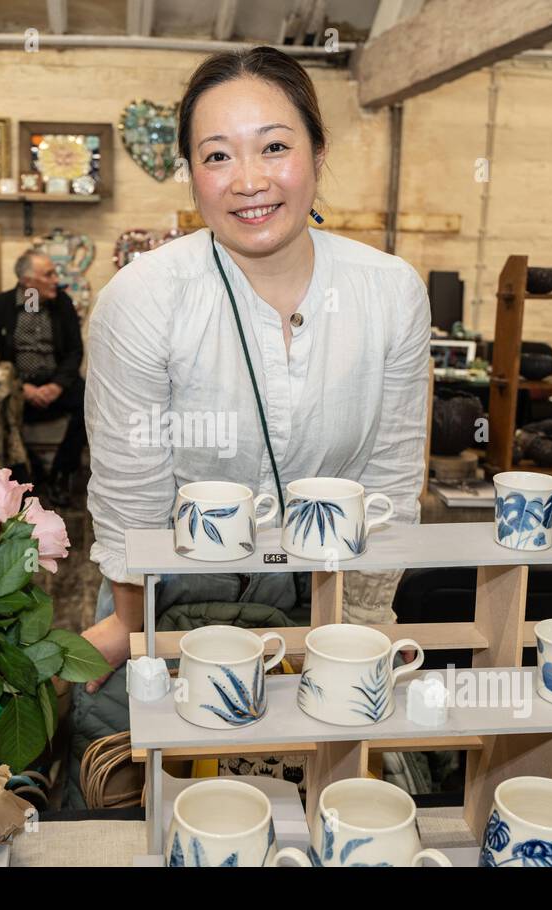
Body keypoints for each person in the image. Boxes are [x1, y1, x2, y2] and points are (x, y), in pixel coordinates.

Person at [70, 46, 431, 799]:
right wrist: (131, 628)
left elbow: (392, 473)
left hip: (323, 593)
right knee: (153, 804)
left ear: (318, 153)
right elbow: (132, 488)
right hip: (162, 596)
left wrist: (364, 620)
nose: (248, 180)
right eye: (217, 155)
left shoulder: (388, 292)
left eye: (273, 147)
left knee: (329, 798)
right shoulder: (144, 298)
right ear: (190, 172)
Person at [0, 250, 87, 505]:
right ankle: (29, 474)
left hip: (55, 383)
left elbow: (75, 350)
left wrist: (57, 385)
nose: (56, 280)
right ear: (27, 281)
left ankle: (62, 473)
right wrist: (22, 387)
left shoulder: (62, 303)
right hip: (16, 386)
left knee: (91, 400)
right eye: (49, 275)